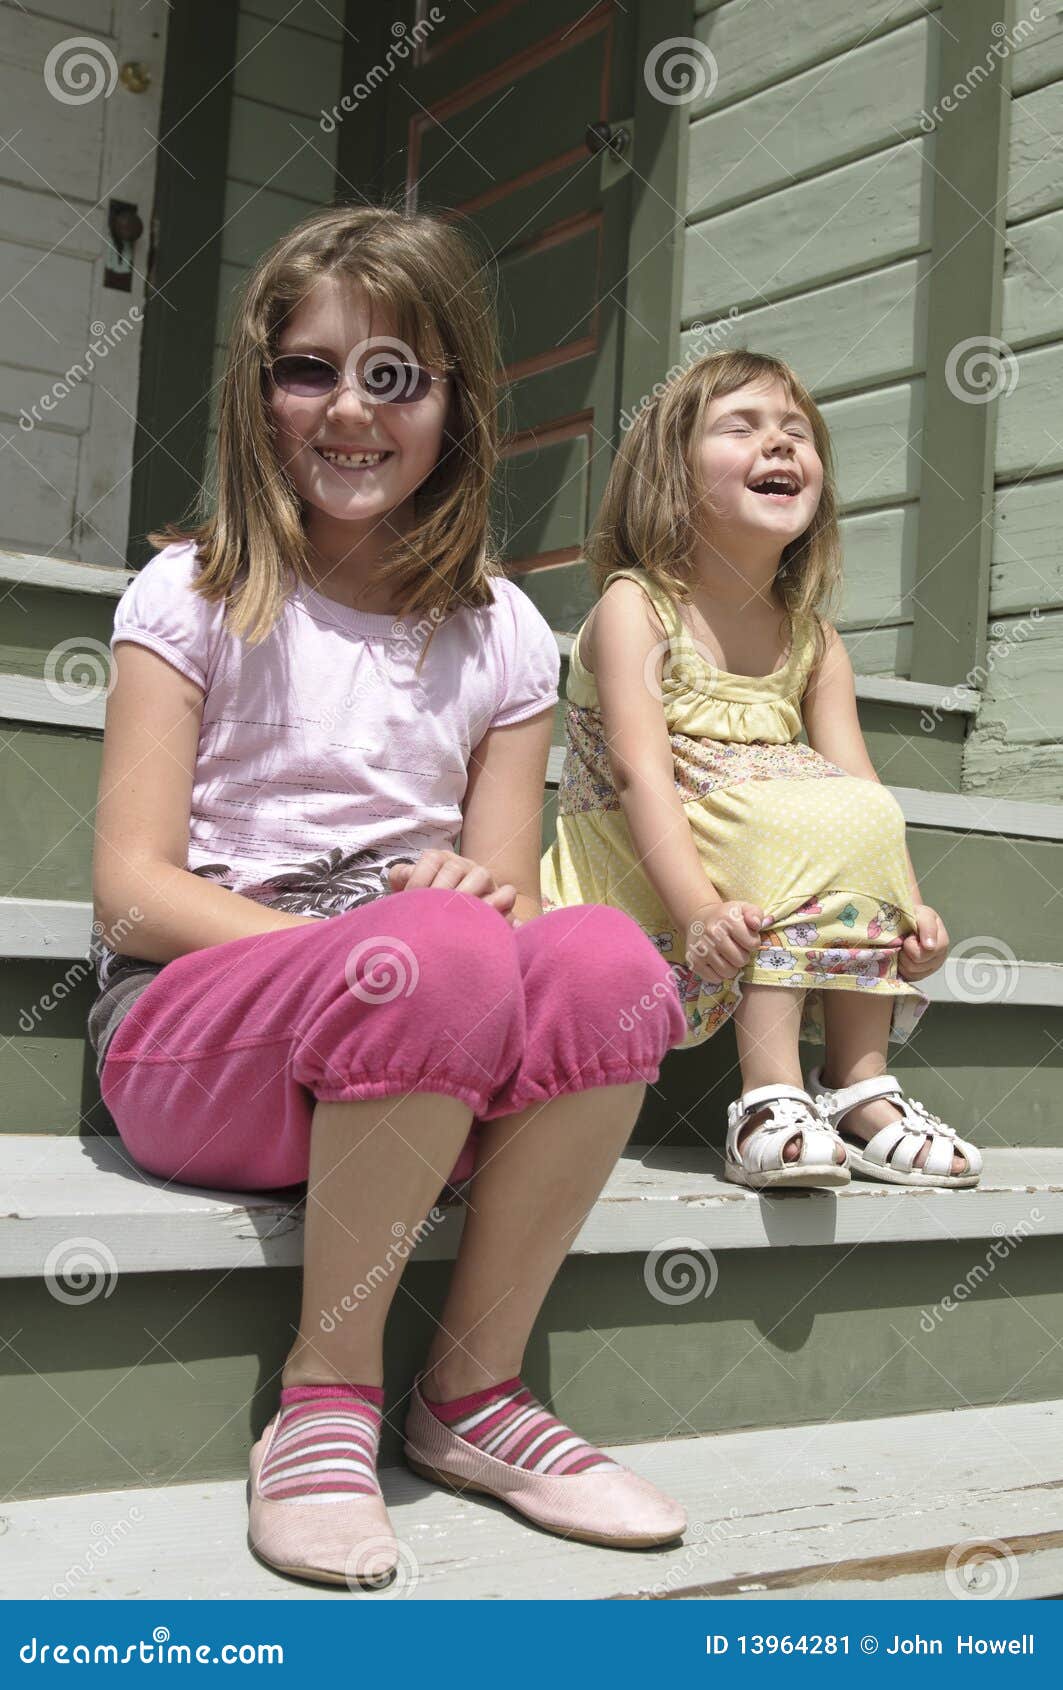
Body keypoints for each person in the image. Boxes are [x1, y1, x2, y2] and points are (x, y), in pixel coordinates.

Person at [90, 205, 689, 1590]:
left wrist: (469, 903)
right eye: (309, 368)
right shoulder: (196, 588)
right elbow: (128, 894)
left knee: (602, 957)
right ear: (259, 391)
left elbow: (494, 891)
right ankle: (325, 1396)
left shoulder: (500, 635)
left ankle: (470, 1394)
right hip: (201, 1030)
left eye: (393, 376)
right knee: (422, 950)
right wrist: (365, 948)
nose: (347, 409)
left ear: (453, 407)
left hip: (415, 1037)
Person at [541, 350, 981, 1195]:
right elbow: (637, 777)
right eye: (741, 429)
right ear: (669, 475)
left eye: (796, 433)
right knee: (786, 820)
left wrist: (911, 906)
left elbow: (861, 789)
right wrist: (697, 910)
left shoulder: (811, 637)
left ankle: (859, 1088)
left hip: (767, 844)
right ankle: (766, 1094)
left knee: (840, 810)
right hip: (650, 857)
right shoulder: (639, 605)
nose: (779, 446)